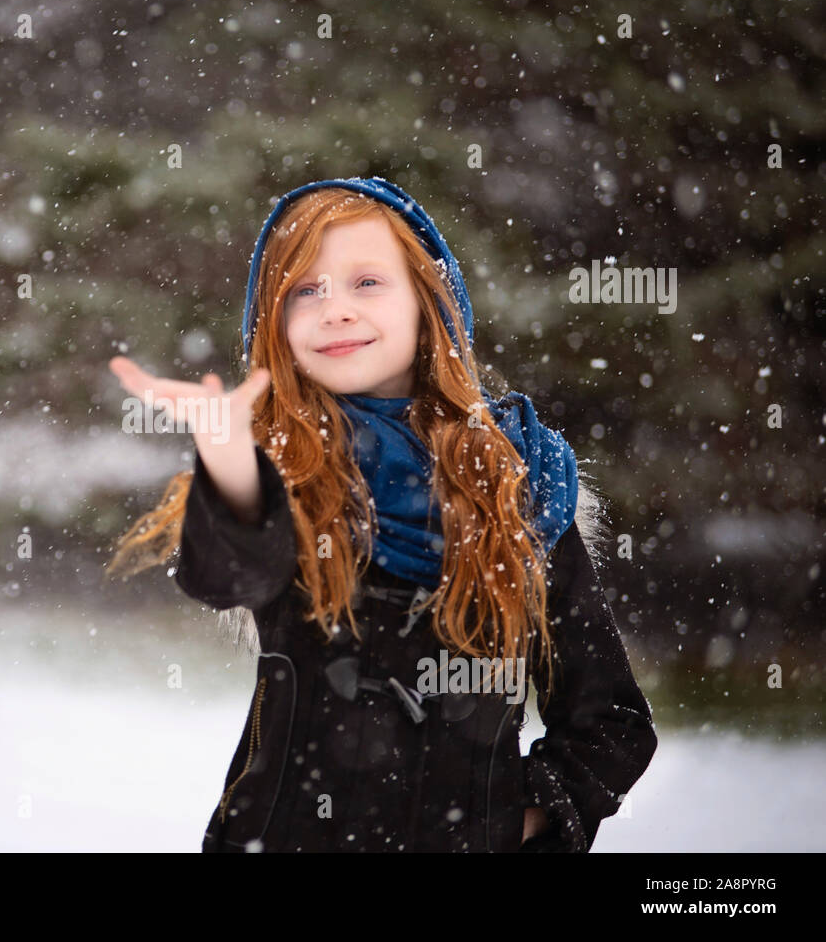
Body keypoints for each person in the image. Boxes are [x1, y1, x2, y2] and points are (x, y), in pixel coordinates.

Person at [105, 176, 657, 852]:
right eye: (305, 289)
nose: (334, 308)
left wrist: (517, 820)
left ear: (432, 304)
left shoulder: (520, 484)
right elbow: (228, 575)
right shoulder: (281, 470)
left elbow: (611, 721)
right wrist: (229, 464)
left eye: (366, 282)